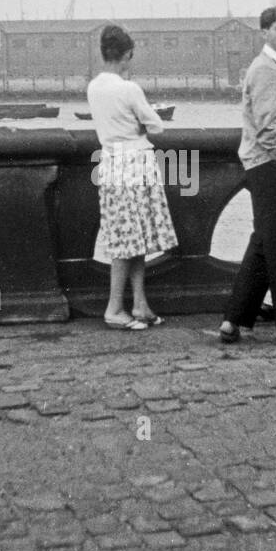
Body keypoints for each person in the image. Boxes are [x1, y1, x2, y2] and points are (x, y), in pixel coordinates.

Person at [219, 5, 276, 344]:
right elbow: (266, 127)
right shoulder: (265, 69)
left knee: (264, 243)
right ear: (265, 33)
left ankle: (233, 320)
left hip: (271, 166)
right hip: (273, 166)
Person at [86, 24, 178, 330]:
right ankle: (114, 309)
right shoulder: (129, 89)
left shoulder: (94, 87)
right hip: (136, 164)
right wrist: (138, 124)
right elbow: (156, 126)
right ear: (127, 55)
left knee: (131, 237)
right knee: (129, 241)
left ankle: (140, 305)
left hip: (111, 164)